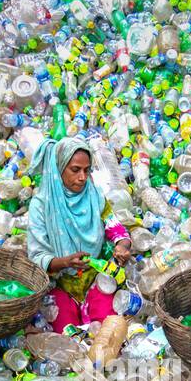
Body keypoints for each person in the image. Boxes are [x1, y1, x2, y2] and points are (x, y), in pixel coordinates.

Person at [26, 136, 132, 332]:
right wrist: (66, 262)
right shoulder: (41, 205)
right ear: (59, 169)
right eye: (75, 170)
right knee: (65, 335)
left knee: (107, 329)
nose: (82, 177)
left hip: (97, 279)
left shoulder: (95, 196)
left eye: (86, 170)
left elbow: (116, 229)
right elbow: (37, 257)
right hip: (59, 283)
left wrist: (122, 246)